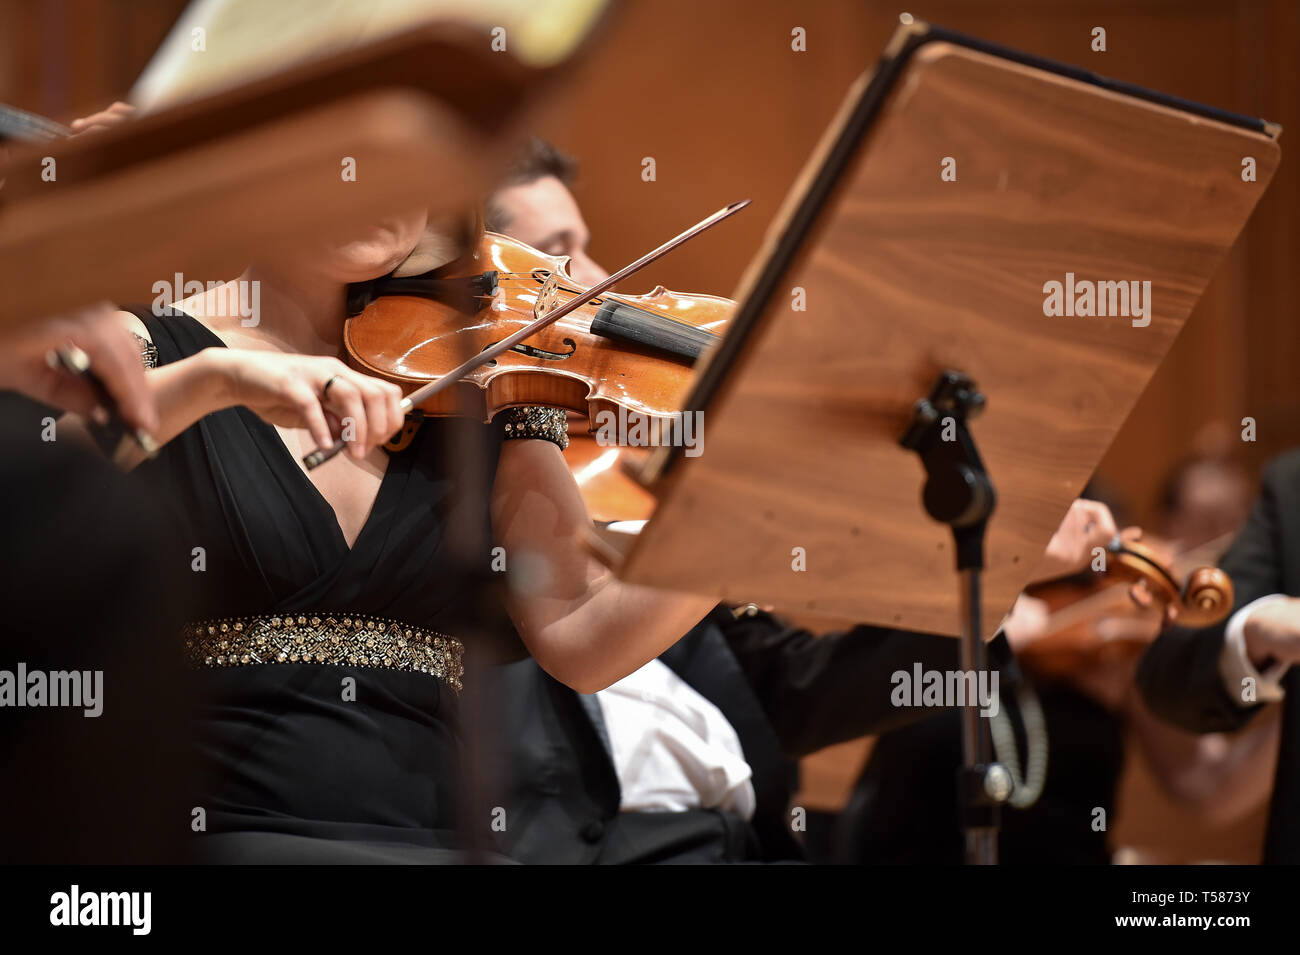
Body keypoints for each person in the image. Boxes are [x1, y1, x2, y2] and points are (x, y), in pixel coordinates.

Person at [476, 138, 1129, 863]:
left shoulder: (626, 478)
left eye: (589, 250)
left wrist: (998, 567)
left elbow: (796, 694)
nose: (599, 282)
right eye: (556, 258)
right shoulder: (476, 482)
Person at [1138, 449, 1300, 863]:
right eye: (1207, 522)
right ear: (1168, 522)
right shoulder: (1289, 482)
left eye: (1235, 523)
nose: (1224, 541)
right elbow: (1208, 787)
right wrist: (1257, 629)